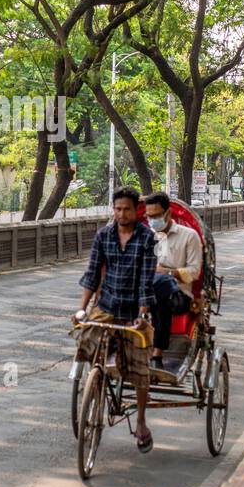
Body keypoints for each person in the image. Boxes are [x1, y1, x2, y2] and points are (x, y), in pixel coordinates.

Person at [77, 187, 158, 453]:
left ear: (136, 211)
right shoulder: (103, 236)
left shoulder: (146, 238)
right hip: (107, 303)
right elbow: (91, 275)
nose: (121, 214)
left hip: (134, 310)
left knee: (139, 368)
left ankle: (142, 421)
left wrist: (143, 315)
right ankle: (93, 381)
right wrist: (82, 309)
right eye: (117, 209)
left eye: (126, 209)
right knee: (86, 338)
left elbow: (147, 281)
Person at [143, 192, 202, 373]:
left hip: (179, 296)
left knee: (161, 301)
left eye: (156, 216)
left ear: (168, 214)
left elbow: (194, 271)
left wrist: (169, 272)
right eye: (149, 216)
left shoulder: (189, 236)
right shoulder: (147, 237)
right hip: (149, 292)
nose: (152, 220)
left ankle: (157, 354)